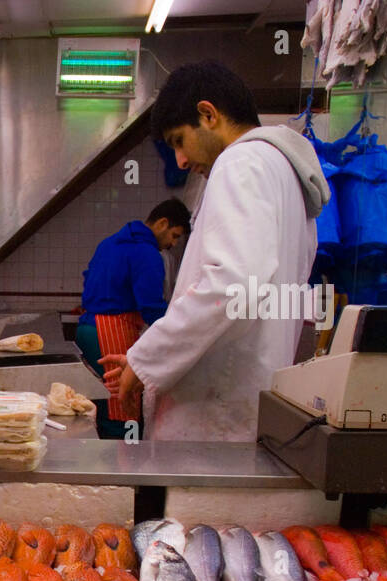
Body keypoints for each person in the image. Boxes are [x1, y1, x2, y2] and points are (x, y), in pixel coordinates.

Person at [103, 62, 330, 442]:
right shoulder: (284, 175)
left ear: (208, 115)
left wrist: (147, 360)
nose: (181, 161)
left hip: (214, 422)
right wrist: (152, 357)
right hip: (246, 409)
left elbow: (232, 284)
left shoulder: (240, 162)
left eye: (178, 141)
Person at [74, 198, 190, 438]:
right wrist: (178, 333)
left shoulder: (110, 242)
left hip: (88, 327)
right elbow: (150, 306)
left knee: (109, 397)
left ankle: (105, 459)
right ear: (162, 223)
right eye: (175, 235)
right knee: (123, 401)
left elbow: (88, 277)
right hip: (110, 329)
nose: (173, 243)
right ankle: (123, 466)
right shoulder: (146, 253)